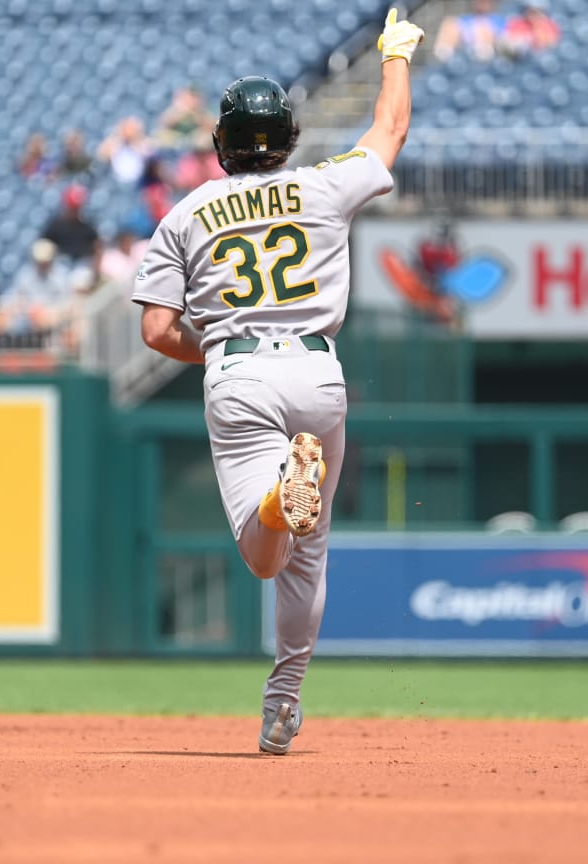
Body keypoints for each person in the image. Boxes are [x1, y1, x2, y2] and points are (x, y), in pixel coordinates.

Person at [132, 8, 422, 755]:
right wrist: (393, 53)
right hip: (319, 373)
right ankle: (283, 703)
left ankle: (274, 494)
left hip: (238, 369)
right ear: (288, 139)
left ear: (222, 145)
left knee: (264, 554)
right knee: (308, 555)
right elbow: (388, 132)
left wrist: (224, 351)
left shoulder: (188, 212)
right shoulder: (323, 188)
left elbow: (157, 332)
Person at [41, 184, 101, 282]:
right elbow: (44, 246)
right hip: (60, 264)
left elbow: (97, 247)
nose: (75, 211)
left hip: (81, 265)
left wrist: (96, 267)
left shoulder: (86, 226)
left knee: (82, 278)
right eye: (72, 208)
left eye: (76, 208)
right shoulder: (56, 225)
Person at [433, 0, 504, 61]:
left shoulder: (499, 20)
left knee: (483, 24)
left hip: (491, 54)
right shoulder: (465, 20)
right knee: (450, 22)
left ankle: (483, 52)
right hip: (465, 51)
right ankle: (445, 57)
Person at [97, 116, 156, 186]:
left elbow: (149, 154)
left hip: (141, 181)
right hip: (117, 181)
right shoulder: (116, 143)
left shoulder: (144, 142)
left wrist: (136, 139)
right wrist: (119, 135)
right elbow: (101, 155)